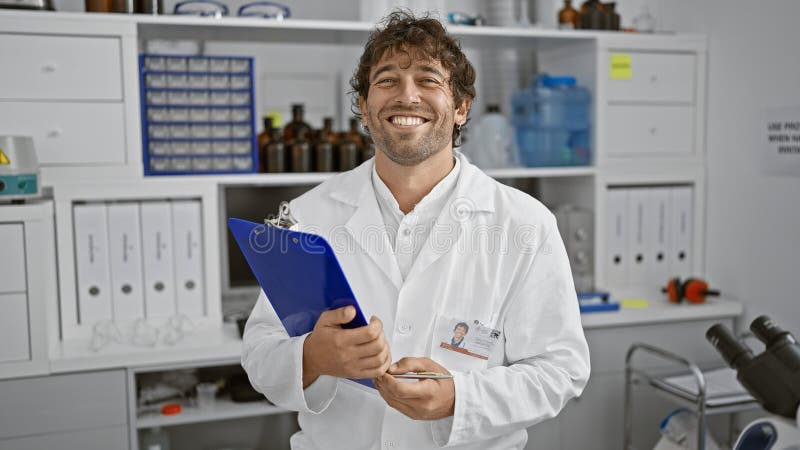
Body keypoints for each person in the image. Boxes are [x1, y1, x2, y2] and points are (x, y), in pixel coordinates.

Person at [242, 10, 590, 450]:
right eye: (386, 80)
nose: (407, 96)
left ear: (461, 108)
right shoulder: (306, 217)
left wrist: (460, 399)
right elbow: (259, 351)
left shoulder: (524, 223)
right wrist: (311, 356)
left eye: (428, 80)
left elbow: (561, 369)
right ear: (365, 110)